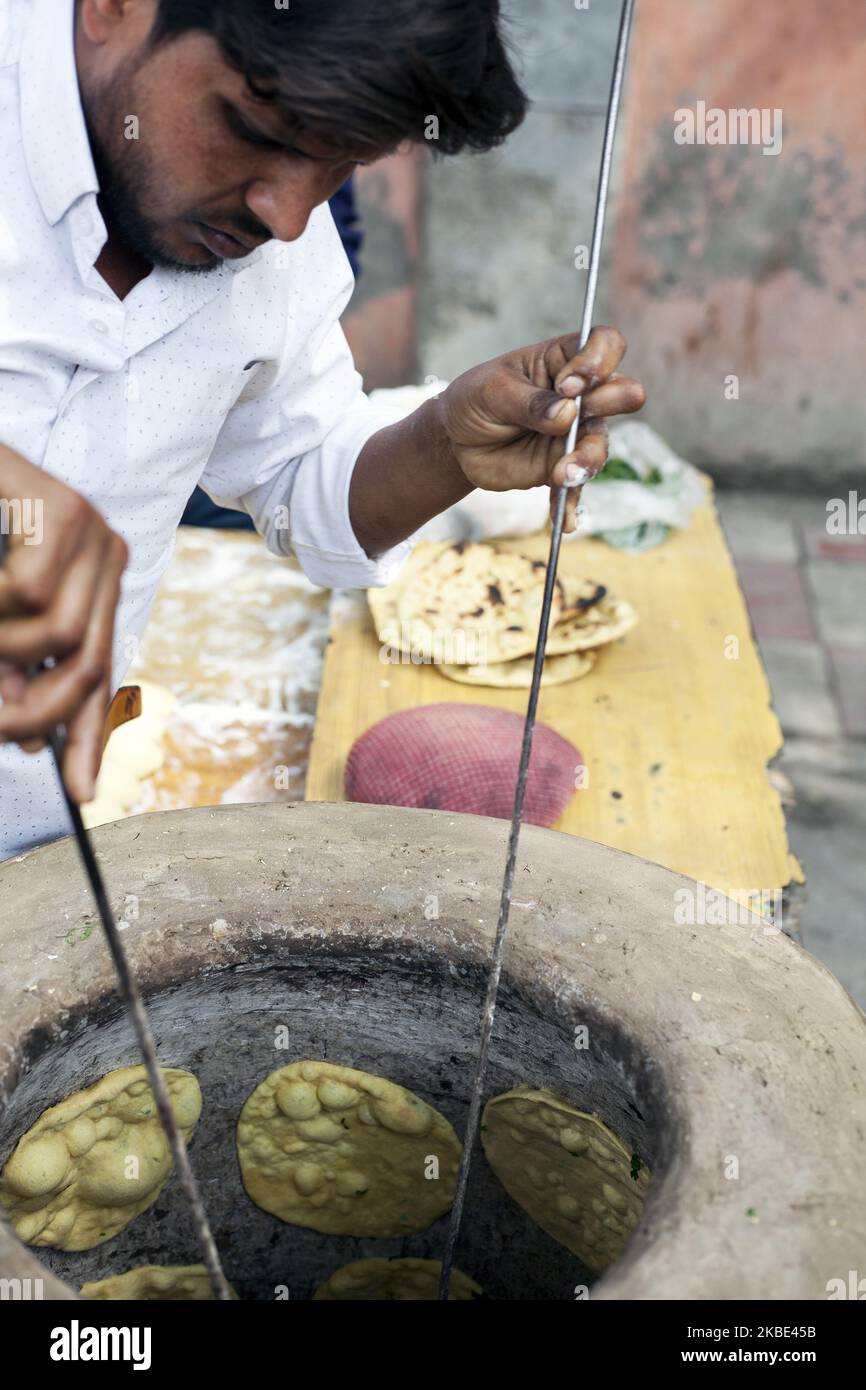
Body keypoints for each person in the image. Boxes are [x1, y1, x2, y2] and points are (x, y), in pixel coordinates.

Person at [0, 0, 646, 860]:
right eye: (255, 128)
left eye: (340, 165)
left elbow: (299, 474)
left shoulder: (262, 235)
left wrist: (444, 445)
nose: (288, 216)